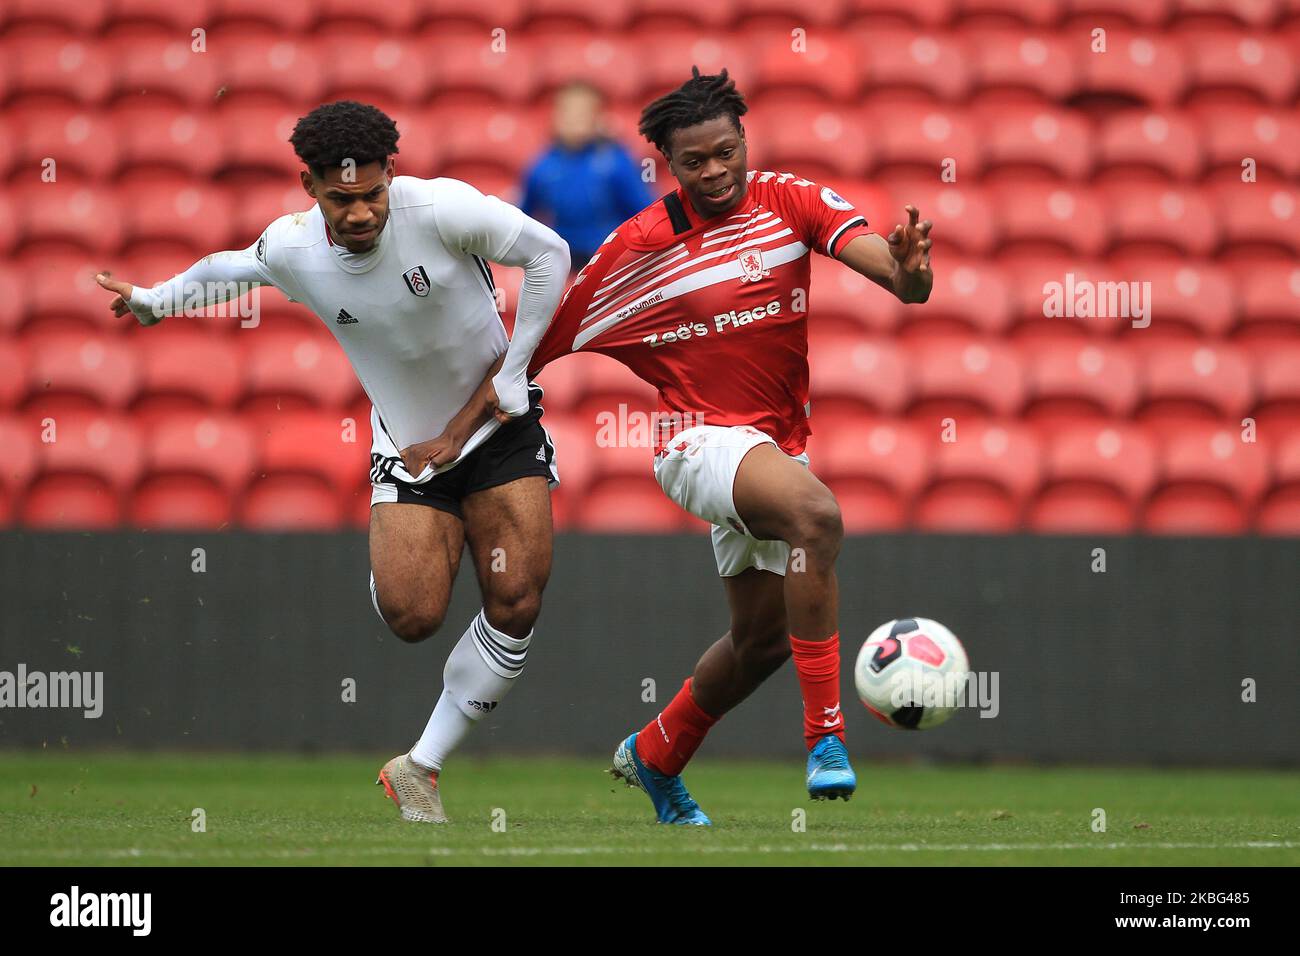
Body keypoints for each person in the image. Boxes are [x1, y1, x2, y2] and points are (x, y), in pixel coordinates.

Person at [94, 100, 571, 824]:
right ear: (309, 186)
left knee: (518, 600)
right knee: (413, 617)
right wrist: (158, 301)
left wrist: (514, 371)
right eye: (341, 199)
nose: (359, 213)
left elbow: (550, 255)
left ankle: (421, 767)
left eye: (373, 193)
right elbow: (233, 269)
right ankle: (392, 556)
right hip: (411, 450)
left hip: (498, 429)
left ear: (391, 177)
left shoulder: (444, 209)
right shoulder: (293, 250)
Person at [520, 68, 933, 825]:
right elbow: (534, 344)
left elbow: (901, 283)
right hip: (694, 443)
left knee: (763, 642)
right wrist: (466, 421)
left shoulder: (791, 201)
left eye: (725, 152)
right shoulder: (642, 245)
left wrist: (909, 271)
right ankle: (827, 740)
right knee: (818, 518)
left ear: (744, 141)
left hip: (775, 445)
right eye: (693, 161)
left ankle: (655, 754)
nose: (714, 172)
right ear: (666, 167)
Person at [520, 81, 654, 270]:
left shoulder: (615, 162)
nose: (574, 121)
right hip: (562, 257)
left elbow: (644, 212)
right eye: (567, 113)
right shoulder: (542, 165)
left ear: (599, 119)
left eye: (582, 114)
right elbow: (523, 216)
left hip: (608, 256)